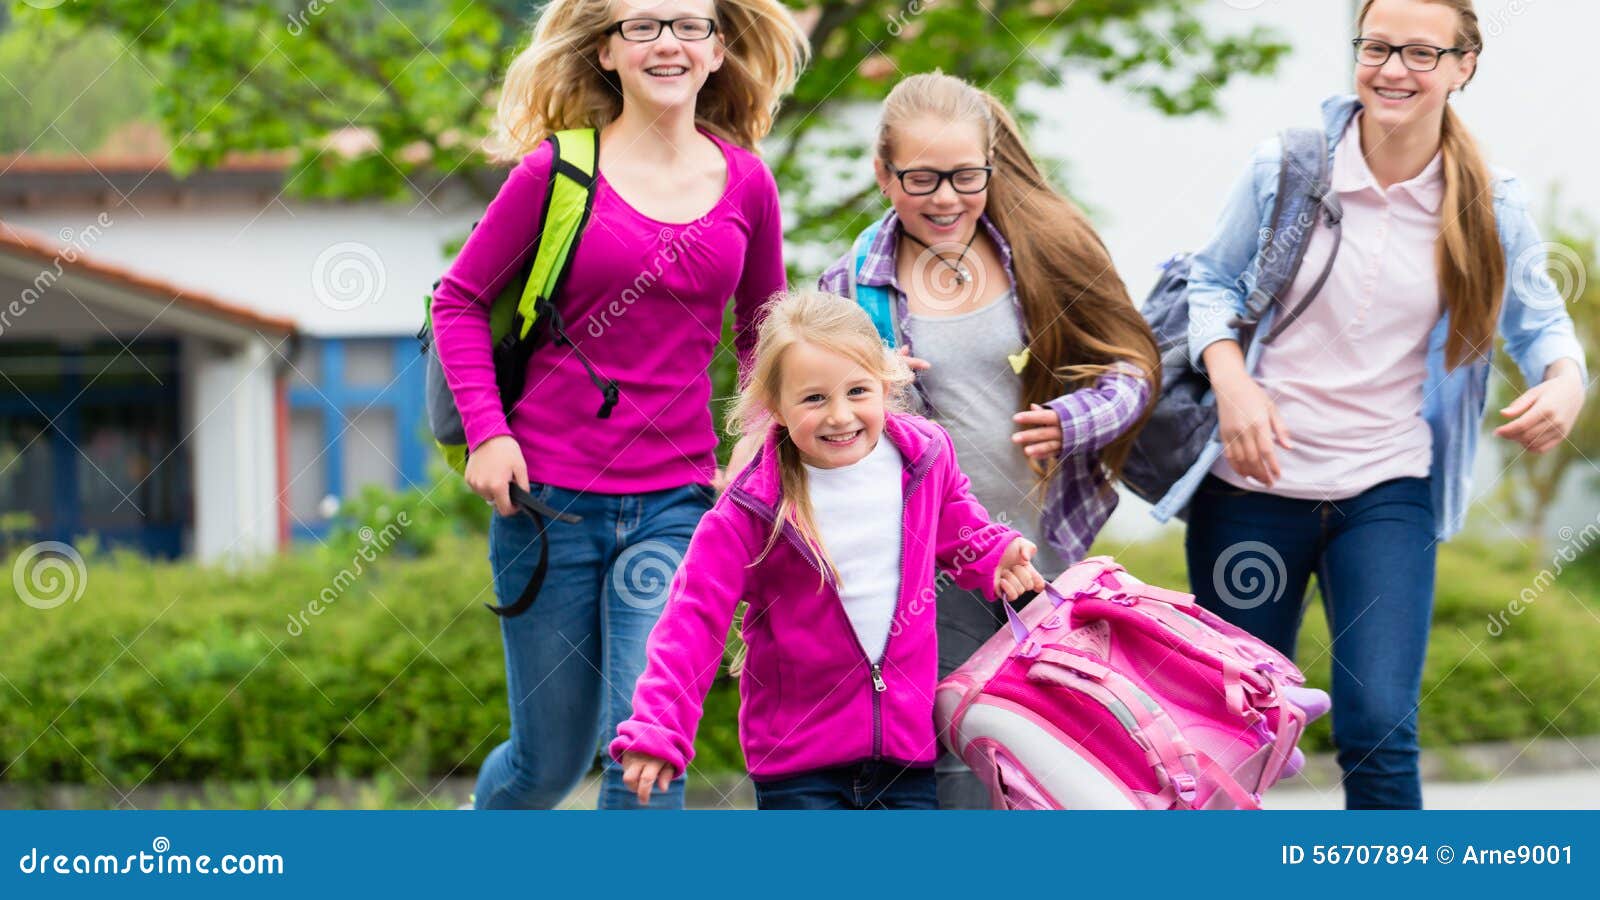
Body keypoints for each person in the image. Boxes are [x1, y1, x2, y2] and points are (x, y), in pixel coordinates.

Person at [1170, 0, 1587, 809]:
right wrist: (1234, 383)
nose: (1393, 69)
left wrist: (1566, 381)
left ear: (1465, 66)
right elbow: (1210, 285)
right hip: (1250, 492)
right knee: (1235, 733)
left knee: (1380, 725)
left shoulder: (1487, 202)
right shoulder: (1287, 169)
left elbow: (1543, 325)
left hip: (1386, 490)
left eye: (1421, 53)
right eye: (1377, 46)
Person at [429, 0, 807, 809]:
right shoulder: (558, 173)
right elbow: (458, 302)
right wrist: (489, 436)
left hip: (675, 503)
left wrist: (758, 434)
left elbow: (764, 334)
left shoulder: (747, 183)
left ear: (716, 52)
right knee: (547, 765)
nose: (667, 42)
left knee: (646, 746)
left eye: (688, 25)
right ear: (607, 52)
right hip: (547, 501)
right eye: (642, 25)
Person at [816, 71, 1160, 808]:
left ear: (991, 169)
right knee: (954, 742)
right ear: (883, 174)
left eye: (966, 176)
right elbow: (805, 424)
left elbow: (1132, 371)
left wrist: (1075, 419)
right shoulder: (848, 293)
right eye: (921, 178)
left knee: (1062, 745)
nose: (945, 198)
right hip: (928, 563)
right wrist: (870, 395)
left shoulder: (1040, 254)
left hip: (1046, 551)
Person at [611, 290, 1046, 809]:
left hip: (905, 754)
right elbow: (693, 619)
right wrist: (659, 726)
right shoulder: (751, 508)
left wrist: (995, 553)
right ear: (775, 406)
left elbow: (957, 519)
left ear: (885, 383)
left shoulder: (924, 458)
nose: (840, 416)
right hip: (798, 764)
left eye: (858, 391)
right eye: (814, 399)